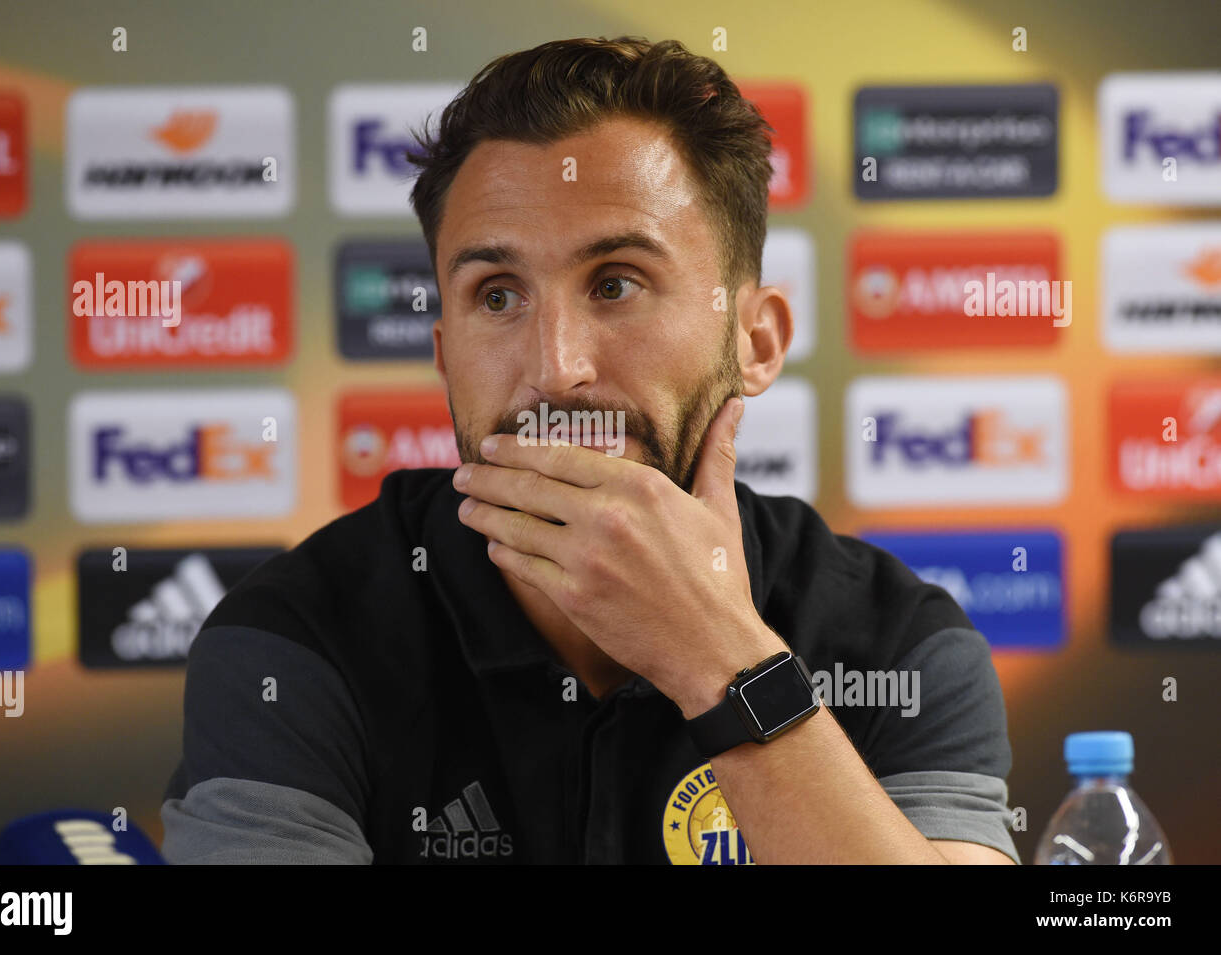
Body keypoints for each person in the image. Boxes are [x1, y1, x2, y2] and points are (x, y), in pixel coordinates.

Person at [160, 35, 1019, 864]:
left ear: (756, 341)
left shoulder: (898, 643)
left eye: (616, 283)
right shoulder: (295, 638)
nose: (557, 369)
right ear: (443, 351)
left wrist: (721, 658)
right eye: (497, 296)